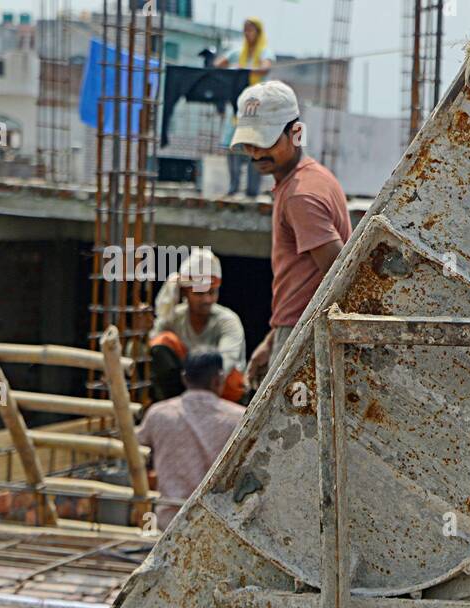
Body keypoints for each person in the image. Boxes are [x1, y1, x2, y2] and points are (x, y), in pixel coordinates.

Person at [228, 81, 350, 388]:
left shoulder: (300, 196)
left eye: (265, 141)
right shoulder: (310, 179)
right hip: (294, 329)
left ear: (295, 133)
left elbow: (343, 276)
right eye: (250, 143)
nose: (256, 153)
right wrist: (272, 341)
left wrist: (292, 342)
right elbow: (305, 283)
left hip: (303, 334)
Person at [137, 352, 246, 527]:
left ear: (184, 378)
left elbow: (136, 451)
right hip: (218, 523)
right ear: (218, 380)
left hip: (168, 520)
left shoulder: (159, 414)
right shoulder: (241, 419)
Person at [149, 248, 247, 404]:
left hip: (222, 390)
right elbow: (154, 344)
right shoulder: (174, 318)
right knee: (163, 341)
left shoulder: (228, 320)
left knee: (227, 373)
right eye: (200, 294)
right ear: (186, 294)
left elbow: (227, 361)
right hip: (186, 387)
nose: (207, 299)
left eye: (212, 292)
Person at [216, 17, 274, 198]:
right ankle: (233, 187)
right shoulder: (237, 52)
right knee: (232, 146)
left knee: (255, 149)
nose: (248, 34)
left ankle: (252, 191)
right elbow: (219, 64)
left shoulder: (265, 52)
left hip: (256, 108)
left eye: (251, 30)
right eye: (246, 30)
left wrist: (248, 71)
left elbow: (265, 68)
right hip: (237, 108)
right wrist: (235, 69)